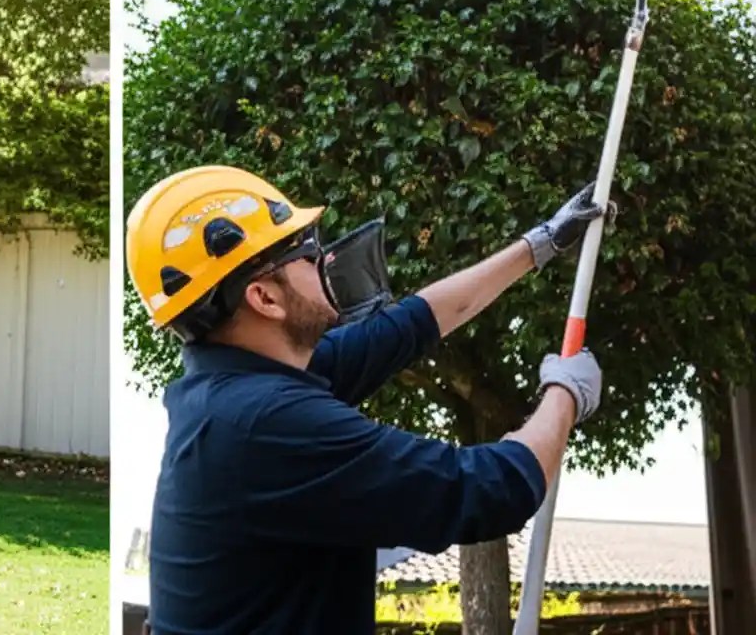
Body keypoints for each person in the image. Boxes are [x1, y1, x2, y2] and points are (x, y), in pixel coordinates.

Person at [124, 165, 609, 634]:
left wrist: (538, 244)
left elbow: (411, 324)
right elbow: (490, 490)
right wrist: (565, 392)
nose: (324, 261)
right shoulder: (264, 423)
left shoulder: (240, 387)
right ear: (263, 298)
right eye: (304, 251)